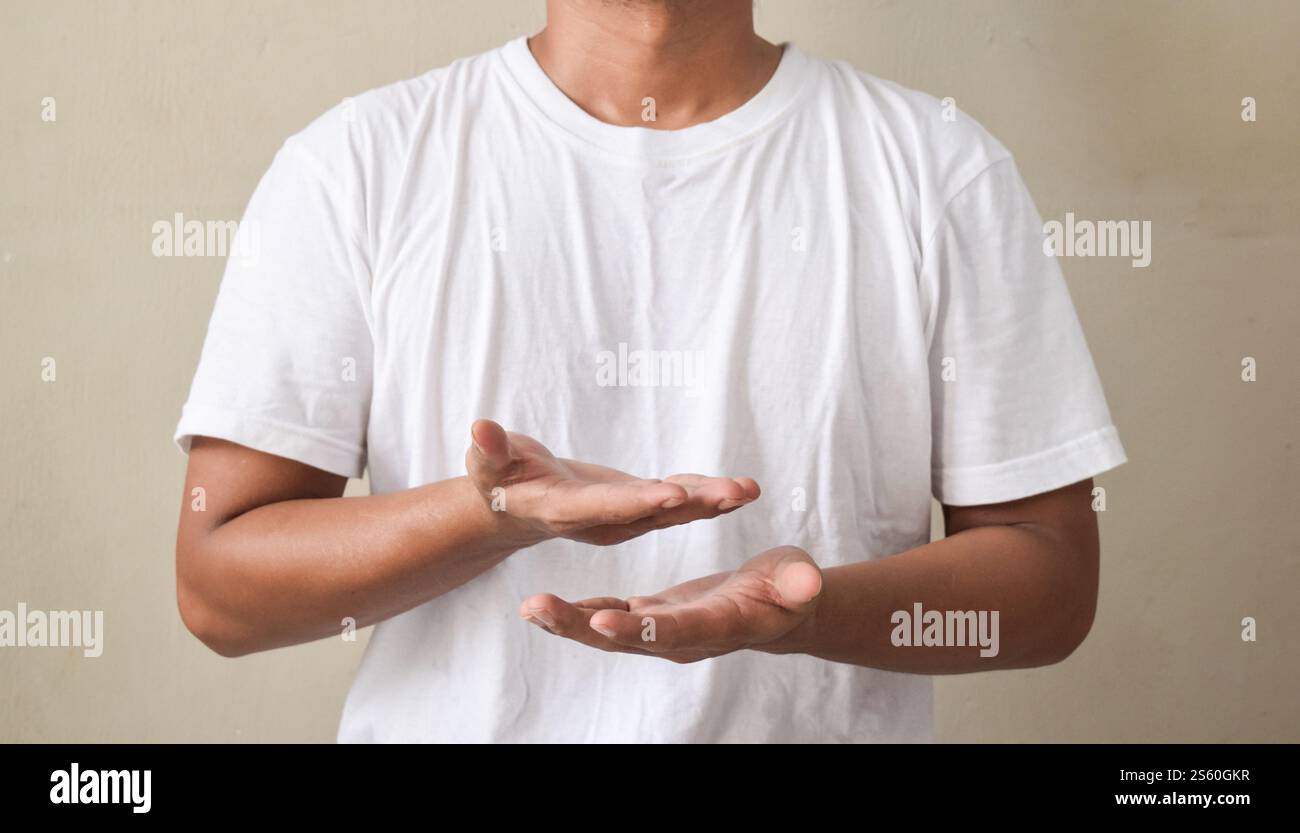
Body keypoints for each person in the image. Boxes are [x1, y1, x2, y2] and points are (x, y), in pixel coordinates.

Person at [174, 0, 1126, 742]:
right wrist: (490, 514)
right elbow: (218, 588)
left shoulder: (937, 167)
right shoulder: (356, 166)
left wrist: (802, 616)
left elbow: (1049, 584)